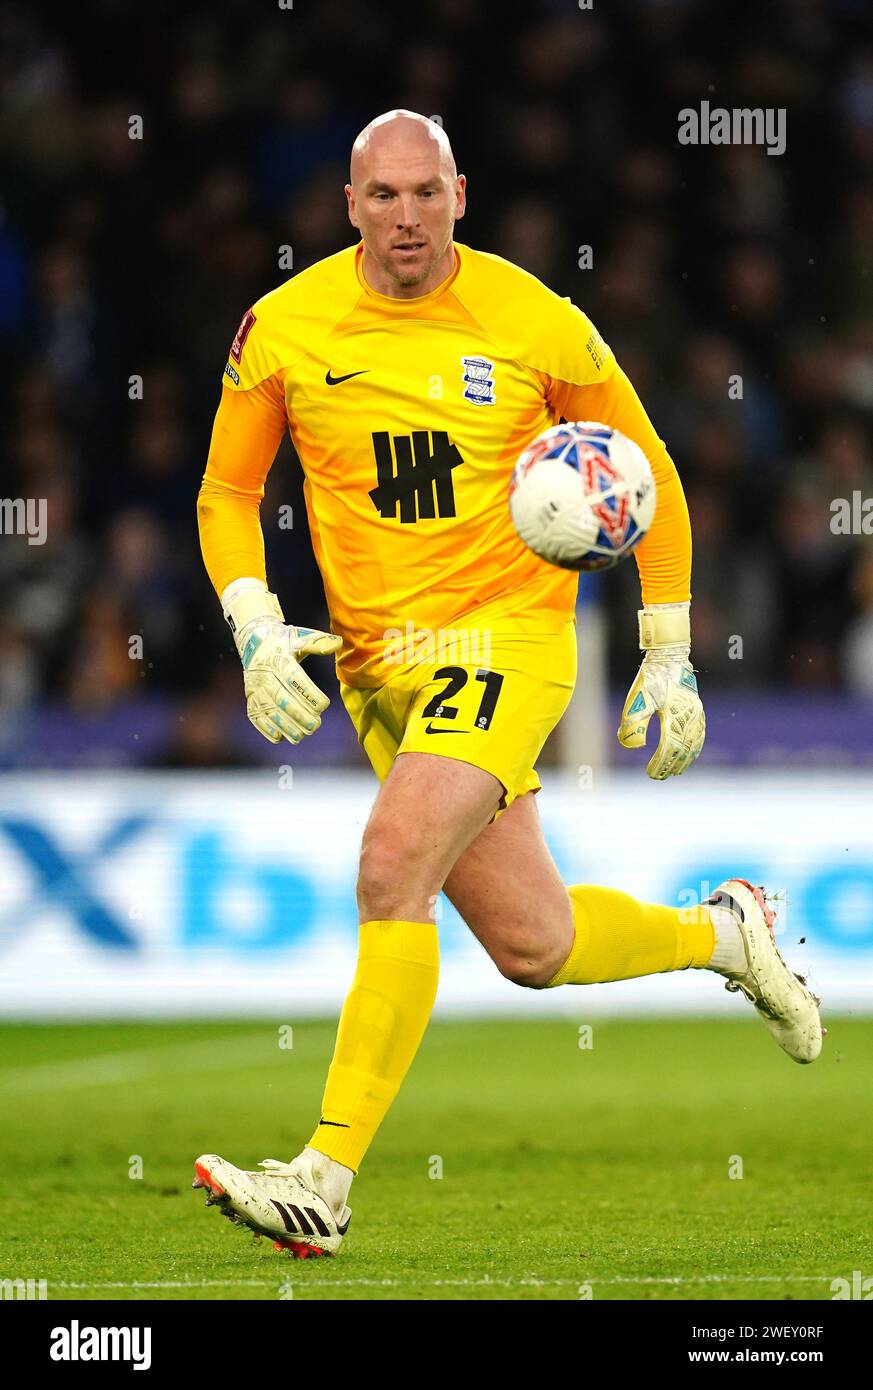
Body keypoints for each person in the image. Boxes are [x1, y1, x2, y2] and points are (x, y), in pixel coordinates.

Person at [193, 110, 822, 1258]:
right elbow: (228, 494)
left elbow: (650, 472)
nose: (405, 218)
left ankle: (323, 1176)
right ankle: (724, 935)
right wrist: (253, 624)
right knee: (535, 944)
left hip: (506, 646)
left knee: (391, 866)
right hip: (379, 666)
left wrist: (670, 650)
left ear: (461, 195)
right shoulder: (282, 327)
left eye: (425, 193)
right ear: (348, 206)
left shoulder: (539, 320)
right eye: (381, 196)